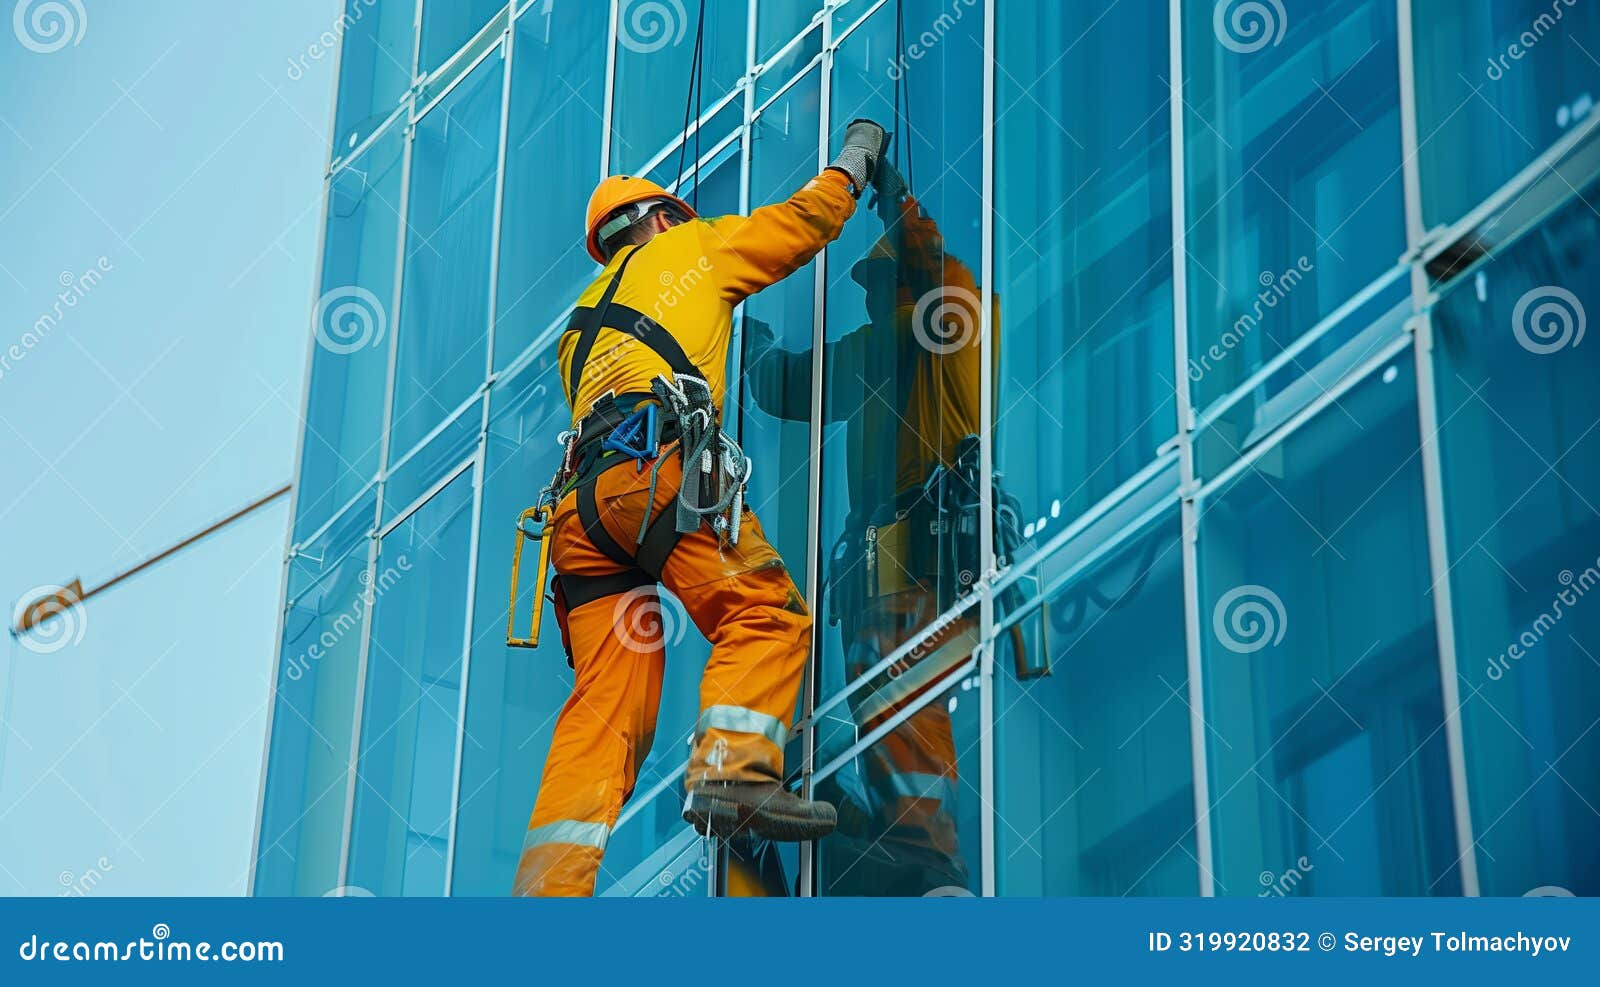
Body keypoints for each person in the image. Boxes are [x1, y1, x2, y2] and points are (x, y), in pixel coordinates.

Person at [511, 120, 889, 897]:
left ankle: (547, 890)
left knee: (603, 709)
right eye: (675, 215)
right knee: (765, 613)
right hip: (652, 474)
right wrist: (855, 160)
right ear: (659, 219)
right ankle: (731, 771)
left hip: (581, 517)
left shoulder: (578, 323)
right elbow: (801, 224)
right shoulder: (693, 247)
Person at [746, 170, 1005, 895]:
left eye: (875, 285)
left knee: (901, 703)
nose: (865, 299)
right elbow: (790, 386)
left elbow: (796, 381)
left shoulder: (944, 322)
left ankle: (928, 854)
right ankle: (896, 839)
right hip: (886, 568)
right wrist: (756, 356)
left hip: (918, 559)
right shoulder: (887, 353)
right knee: (882, 704)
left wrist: (896, 201)